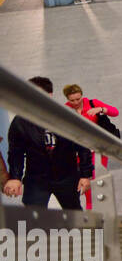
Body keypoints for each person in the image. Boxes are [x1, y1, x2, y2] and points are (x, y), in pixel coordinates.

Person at [5, 77, 92, 209]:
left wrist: (85, 175)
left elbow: (82, 146)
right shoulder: (21, 122)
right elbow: (16, 152)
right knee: (32, 218)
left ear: (49, 95)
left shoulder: (68, 117)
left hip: (67, 177)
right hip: (36, 179)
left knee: (75, 215)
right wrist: (15, 177)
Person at [63, 84, 118, 210]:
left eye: (78, 99)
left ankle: (95, 208)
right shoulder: (64, 110)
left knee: (95, 179)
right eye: (72, 100)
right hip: (79, 152)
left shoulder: (92, 103)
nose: (76, 102)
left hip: (98, 151)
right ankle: (93, 209)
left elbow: (115, 111)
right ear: (67, 99)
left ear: (82, 95)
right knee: (87, 182)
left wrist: (101, 109)